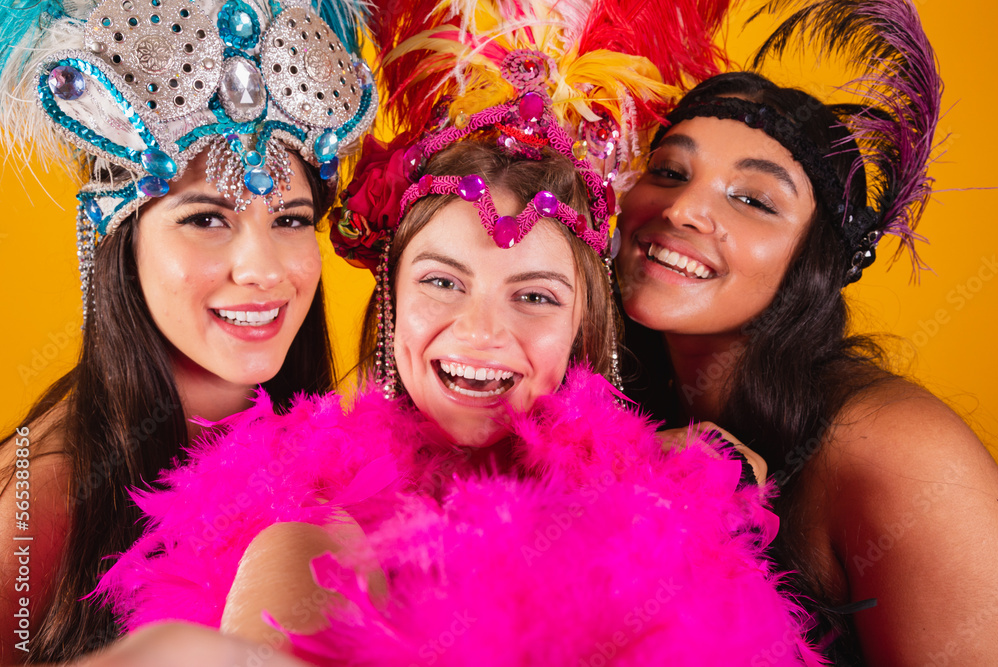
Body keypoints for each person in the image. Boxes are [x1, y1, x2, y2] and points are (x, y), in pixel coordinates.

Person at [97, 1, 823, 664]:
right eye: (442, 282)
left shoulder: (674, 503)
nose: (480, 329)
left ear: (585, 323)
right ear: (389, 302)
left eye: (534, 295)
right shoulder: (300, 530)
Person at [615, 0, 998, 663]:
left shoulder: (897, 451)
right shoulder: (610, 410)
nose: (681, 209)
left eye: (753, 201)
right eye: (670, 172)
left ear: (812, 264)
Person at [0, 0, 377, 660]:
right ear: (122, 237)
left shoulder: (341, 446)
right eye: (207, 219)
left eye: (289, 220)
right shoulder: (42, 497)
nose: (262, 270)